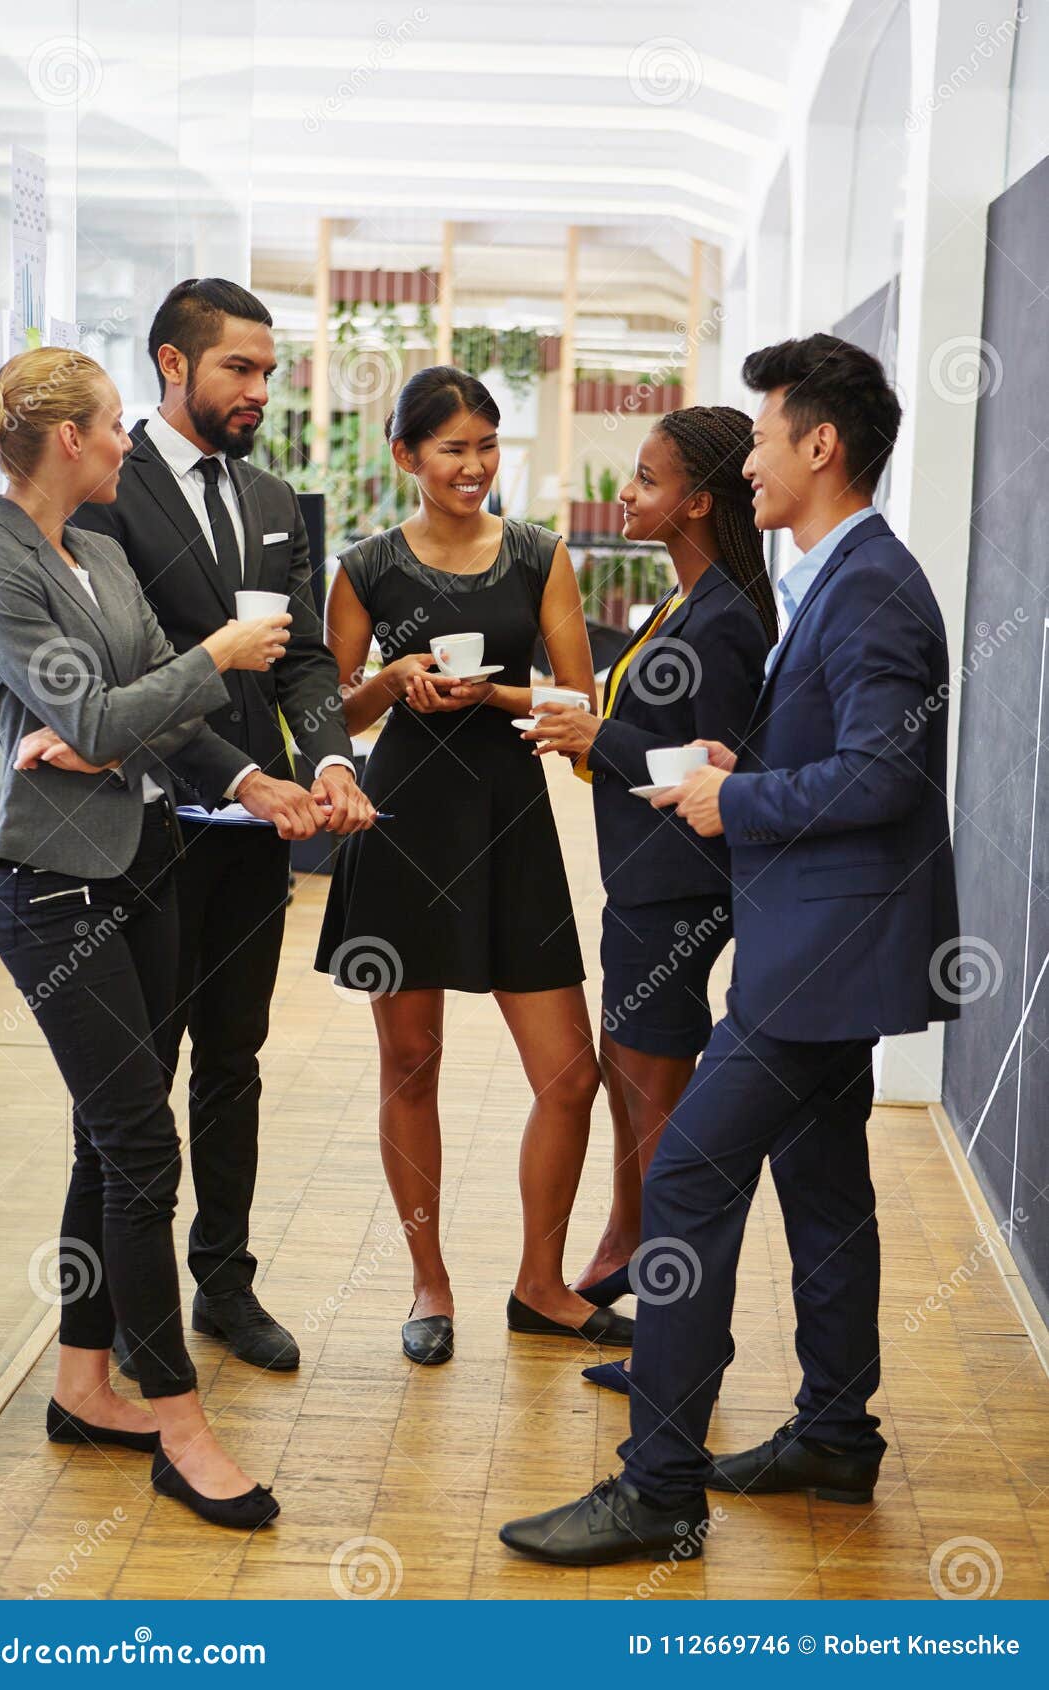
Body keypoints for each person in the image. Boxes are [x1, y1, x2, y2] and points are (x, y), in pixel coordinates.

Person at [499, 333, 961, 1565]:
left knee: (690, 1174)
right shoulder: (843, 574)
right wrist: (735, 767)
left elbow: (882, 770)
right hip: (818, 947)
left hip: (817, 957)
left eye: (760, 440)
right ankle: (833, 1434)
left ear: (819, 446)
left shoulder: (867, 586)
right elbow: (839, 756)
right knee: (822, 1189)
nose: (747, 462)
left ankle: (656, 1491)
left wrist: (732, 801)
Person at [0, 348, 294, 1527]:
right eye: (115, 424)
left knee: (101, 1143)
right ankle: (176, 1416)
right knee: (142, 1149)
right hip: (54, 890)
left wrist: (252, 780)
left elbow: (145, 718)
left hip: (147, 863)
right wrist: (182, 678)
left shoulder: (101, 551)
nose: (129, 441)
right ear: (67, 439)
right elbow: (109, 709)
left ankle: (79, 1381)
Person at [71, 279, 376, 1380]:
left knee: (233, 1061)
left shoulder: (272, 499)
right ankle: (102, 1313)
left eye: (267, 369)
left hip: (256, 836)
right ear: (171, 364)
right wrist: (242, 773)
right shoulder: (107, 486)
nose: (259, 388)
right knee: (133, 1079)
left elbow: (296, 655)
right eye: (237, 368)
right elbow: (133, 675)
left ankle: (225, 1282)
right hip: (144, 828)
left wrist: (331, 755)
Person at [315, 365, 627, 1365]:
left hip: (509, 824)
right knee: (410, 1064)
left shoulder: (539, 555)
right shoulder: (365, 566)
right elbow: (326, 711)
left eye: (487, 445)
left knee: (569, 1075)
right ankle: (429, 1281)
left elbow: (577, 705)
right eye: (452, 448)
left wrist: (484, 695)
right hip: (401, 823)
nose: (474, 466)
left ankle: (539, 1283)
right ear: (406, 456)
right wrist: (394, 682)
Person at [526, 407, 775, 1396]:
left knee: (660, 1125)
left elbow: (715, 773)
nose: (624, 494)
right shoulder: (685, 603)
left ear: (696, 503)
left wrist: (598, 737)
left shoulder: (722, 620)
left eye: (643, 480)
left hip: (676, 897)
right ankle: (626, 1255)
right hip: (643, 890)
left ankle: (676, 1337)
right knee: (642, 1110)